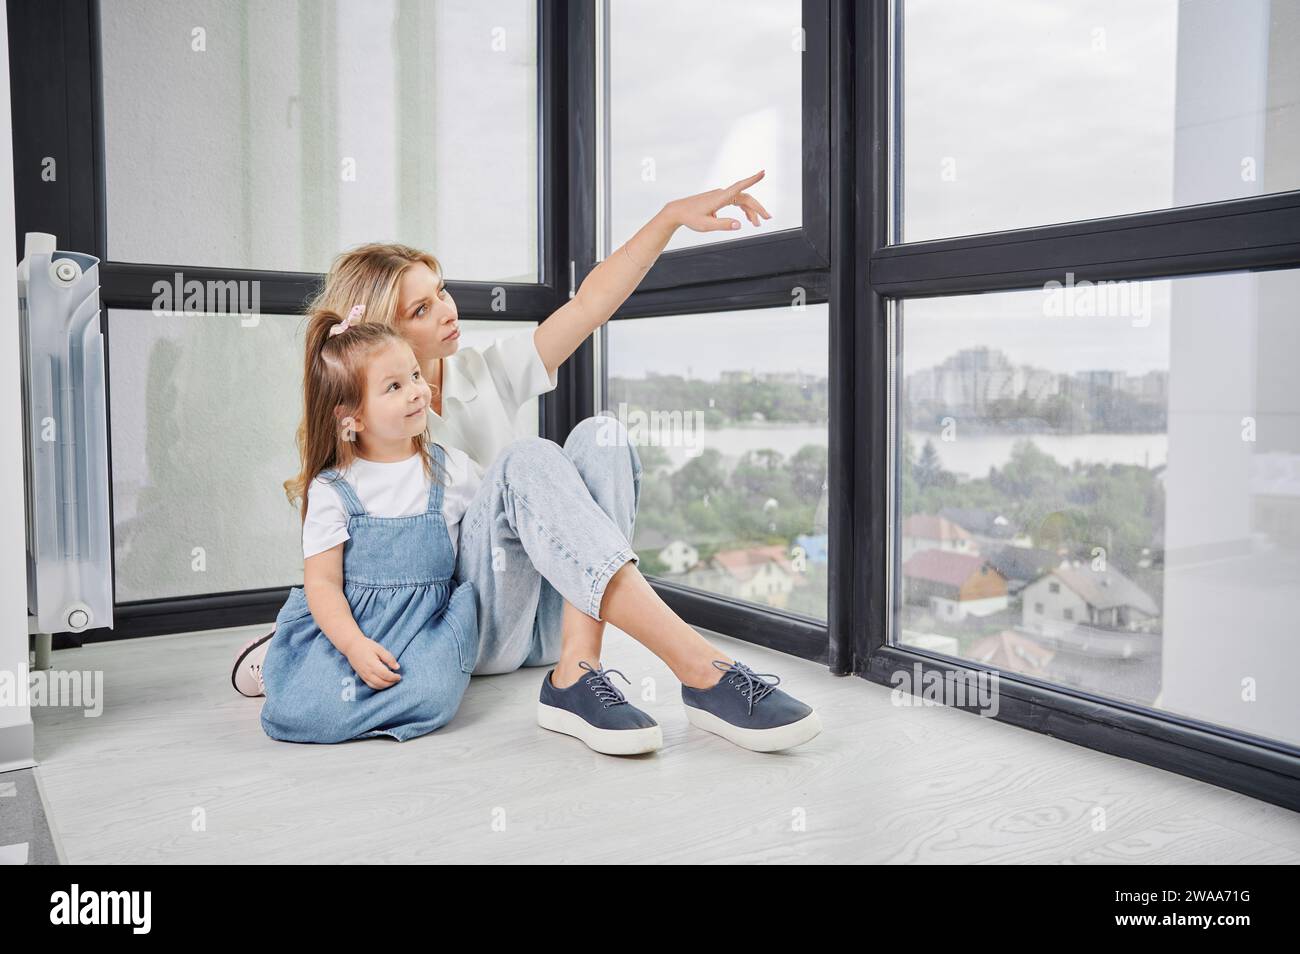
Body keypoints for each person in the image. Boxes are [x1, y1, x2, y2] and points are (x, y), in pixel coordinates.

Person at [240, 170, 823, 753]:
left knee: (602, 436)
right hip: (471, 626)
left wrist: (668, 217)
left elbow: (591, 304)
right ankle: (702, 669)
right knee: (526, 457)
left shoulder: (483, 372)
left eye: (441, 289)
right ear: (376, 335)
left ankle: (577, 673)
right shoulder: (376, 429)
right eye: (421, 308)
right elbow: (348, 569)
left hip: (554, 618)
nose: (447, 309)